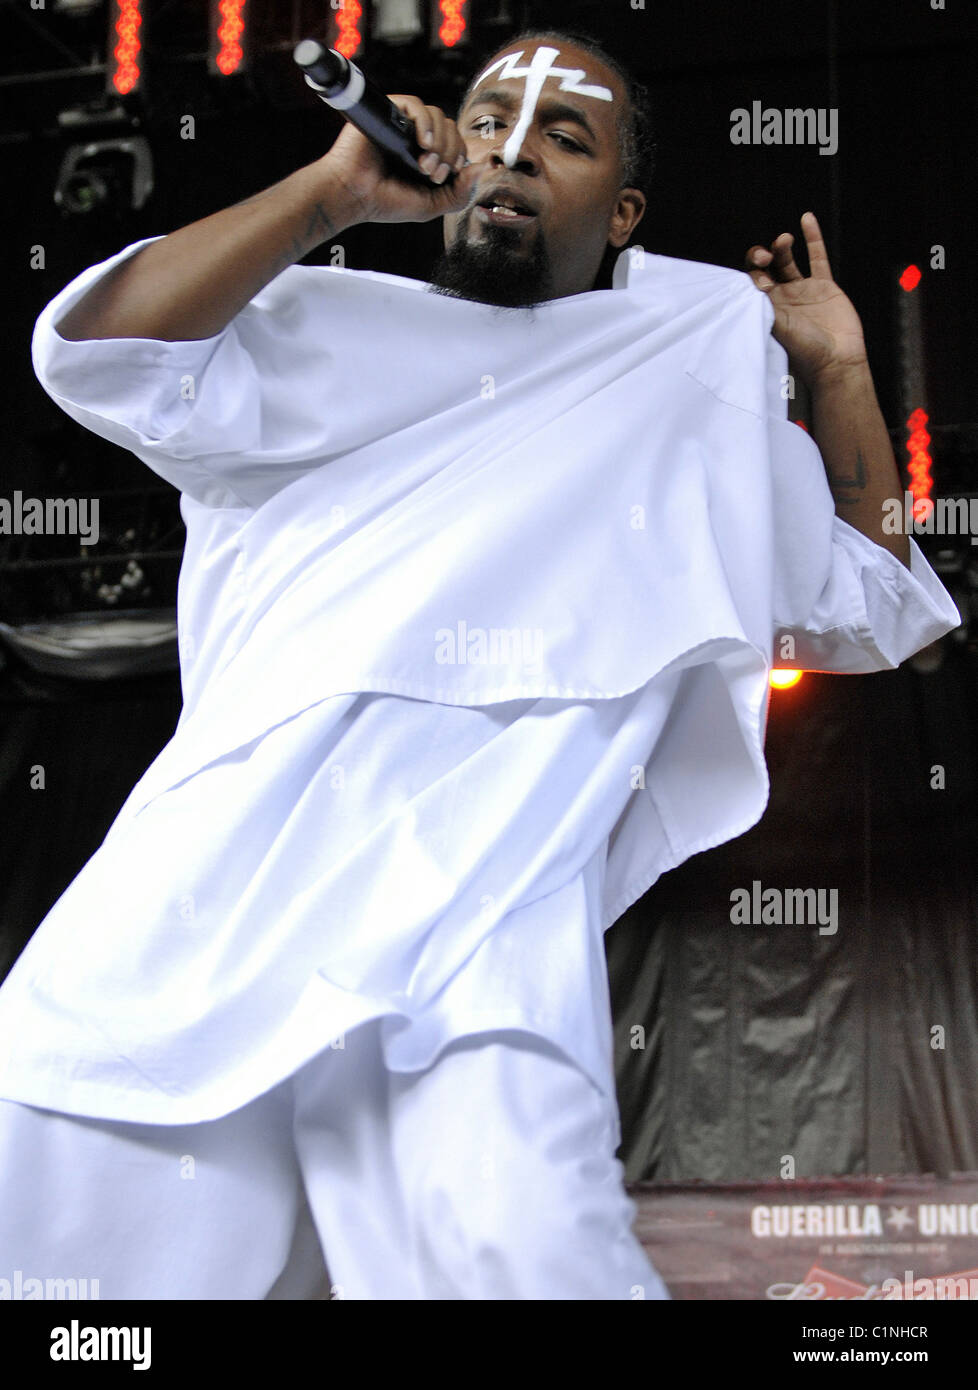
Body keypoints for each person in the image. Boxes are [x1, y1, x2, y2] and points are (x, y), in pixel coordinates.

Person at [0, 27, 960, 1301]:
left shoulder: (680, 380)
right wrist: (331, 194)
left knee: (524, 1261)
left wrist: (837, 370)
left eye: (564, 136)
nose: (515, 148)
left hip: (477, 958)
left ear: (624, 214)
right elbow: (93, 354)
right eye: (492, 119)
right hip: (193, 922)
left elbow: (875, 602)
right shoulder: (307, 321)